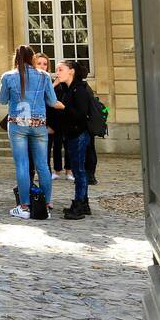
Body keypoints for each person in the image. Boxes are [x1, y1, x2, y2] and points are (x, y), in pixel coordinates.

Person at [0, 45, 65, 219]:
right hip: (39, 124)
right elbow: (52, 101)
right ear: (32, 58)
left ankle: (25, 206)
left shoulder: (8, 76)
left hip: (17, 124)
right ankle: (46, 205)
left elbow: (2, 100)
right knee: (42, 165)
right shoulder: (44, 76)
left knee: (22, 164)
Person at [56, 60, 99, 219]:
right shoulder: (68, 89)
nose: (57, 73)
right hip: (73, 134)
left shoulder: (79, 90)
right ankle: (84, 203)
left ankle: (79, 205)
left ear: (71, 71)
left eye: (60, 69)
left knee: (79, 171)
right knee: (79, 170)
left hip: (79, 135)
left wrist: (64, 108)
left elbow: (81, 115)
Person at [37, 53, 68, 179]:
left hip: (52, 120)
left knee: (53, 146)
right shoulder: (32, 81)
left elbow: (54, 102)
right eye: (39, 63)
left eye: (45, 64)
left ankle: (54, 171)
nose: (42, 66)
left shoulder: (51, 81)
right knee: (42, 150)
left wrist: (52, 124)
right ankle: (42, 172)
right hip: (37, 120)